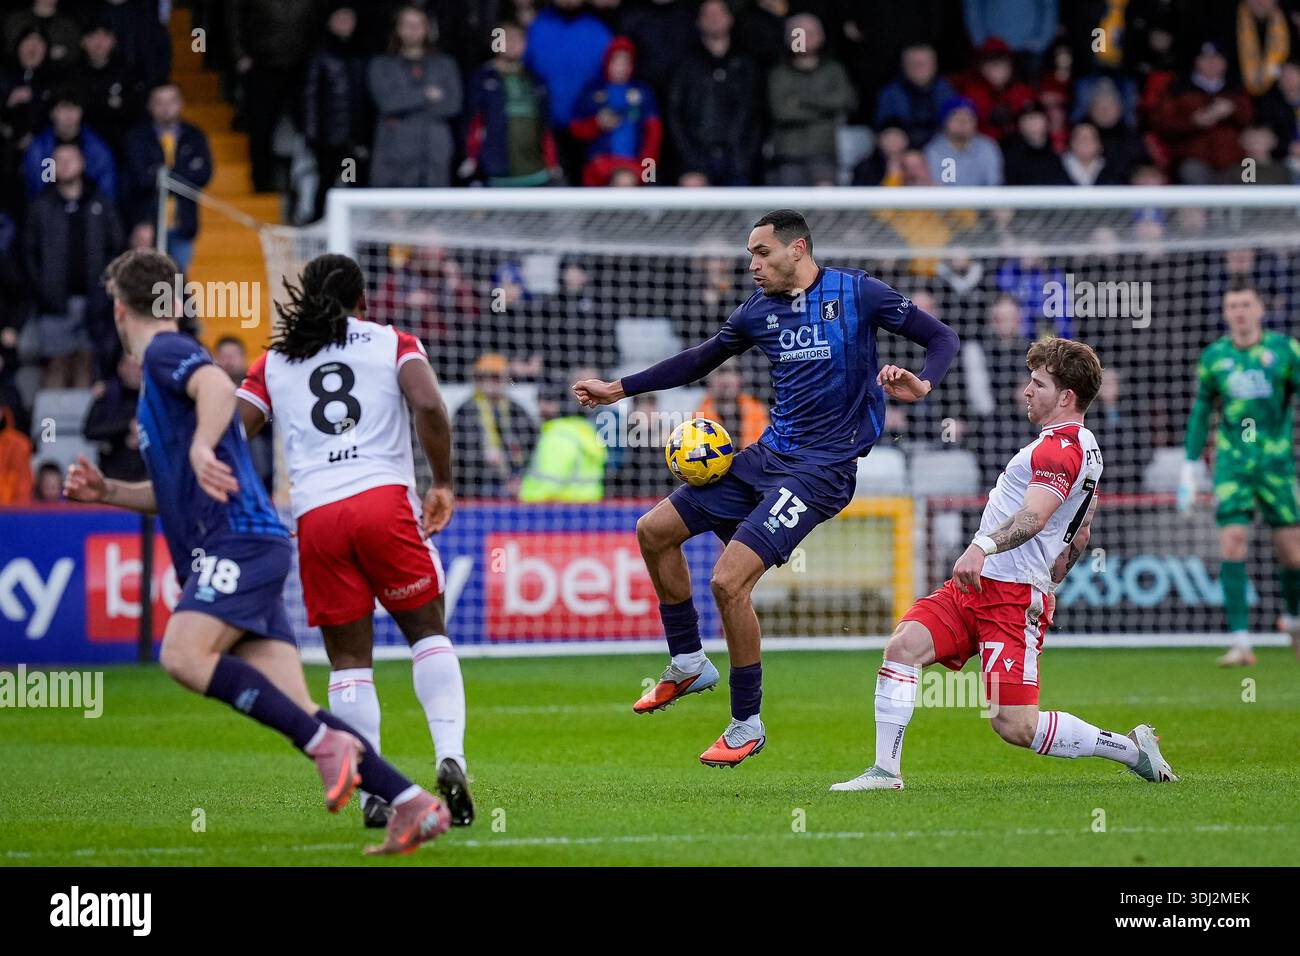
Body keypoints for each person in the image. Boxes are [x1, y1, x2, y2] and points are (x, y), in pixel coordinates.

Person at [65, 248, 451, 855]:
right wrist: (108, 491)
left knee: (182, 656)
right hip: (258, 542)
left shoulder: (165, 351)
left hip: (238, 541)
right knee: (300, 707)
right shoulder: (164, 373)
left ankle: (334, 751)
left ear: (119, 308)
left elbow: (218, 387)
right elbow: (175, 492)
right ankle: (412, 803)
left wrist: (200, 446)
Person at [573, 209, 960, 767]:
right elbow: (698, 360)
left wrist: (922, 383)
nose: (752, 264)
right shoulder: (758, 313)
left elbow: (940, 336)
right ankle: (688, 662)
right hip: (767, 457)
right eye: (750, 255)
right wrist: (618, 389)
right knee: (654, 531)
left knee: (728, 582)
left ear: (797, 249)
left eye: (761, 252)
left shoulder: (858, 293)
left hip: (821, 472)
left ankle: (745, 723)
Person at [831, 338, 1178, 791]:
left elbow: (1034, 516)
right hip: (977, 589)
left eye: (1038, 383)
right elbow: (1083, 528)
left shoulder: (1060, 449)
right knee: (903, 647)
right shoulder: (1085, 446)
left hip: (1009, 596)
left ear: (1066, 396)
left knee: (1016, 726)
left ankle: (1131, 750)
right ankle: (885, 772)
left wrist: (982, 548)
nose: (1026, 391)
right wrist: (1059, 567)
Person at [235, 253, 474, 829]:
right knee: (427, 634)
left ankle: (375, 787)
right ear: (362, 301)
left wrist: (242, 496)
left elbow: (231, 433)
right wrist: (440, 481)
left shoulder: (274, 362)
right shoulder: (392, 341)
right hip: (382, 503)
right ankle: (450, 755)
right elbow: (428, 404)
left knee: (348, 661)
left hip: (316, 515)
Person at [1177, 279, 1300, 666]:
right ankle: (1241, 642)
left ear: (1260, 309)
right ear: (1226, 312)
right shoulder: (1215, 358)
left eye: (1246, 304)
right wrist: (1190, 464)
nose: (1240, 312)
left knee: (1292, 554)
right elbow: (1201, 411)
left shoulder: (1285, 351)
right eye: (1233, 306)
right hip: (1232, 463)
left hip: (1277, 464)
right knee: (1231, 542)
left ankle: (1293, 621)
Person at [367, 6, 462, 188]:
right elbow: (387, 103)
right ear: (397, 29)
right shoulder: (381, 64)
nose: (413, 29)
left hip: (434, 155)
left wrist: (406, 102)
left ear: (428, 28)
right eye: (407, 24)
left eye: (419, 24)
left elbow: (453, 105)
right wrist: (426, 94)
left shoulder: (445, 64)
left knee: (435, 211)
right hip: (394, 155)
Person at [123, 84, 213, 273]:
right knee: (149, 281)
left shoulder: (194, 135)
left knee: (178, 280)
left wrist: (163, 174)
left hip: (183, 224)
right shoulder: (137, 137)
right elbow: (140, 179)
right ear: (150, 106)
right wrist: (183, 172)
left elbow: (204, 174)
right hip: (148, 224)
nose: (166, 108)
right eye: (159, 102)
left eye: (171, 101)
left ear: (181, 104)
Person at [452, 352, 535, 498]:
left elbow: (532, 445)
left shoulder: (516, 410)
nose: (492, 382)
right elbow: (459, 451)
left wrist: (520, 476)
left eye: (497, 377)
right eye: (487, 377)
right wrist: (485, 458)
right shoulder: (465, 411)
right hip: (475, 483)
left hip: (514, 481)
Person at [519, 377, 606, 502]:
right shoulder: (584, 430)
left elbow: (548, 485)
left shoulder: (557, 436)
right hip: (588, 506)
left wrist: (523, 498)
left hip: (558, 508)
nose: (541, 406)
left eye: (547, 400)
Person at [82, 351, 147, 481]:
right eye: (131, 366)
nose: (136, 372)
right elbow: (90, 431)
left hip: (147, 468)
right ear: (121, 368)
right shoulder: (106, 395)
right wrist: (127, 427)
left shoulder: (155, 396)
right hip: (114, 466)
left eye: (140, 367)